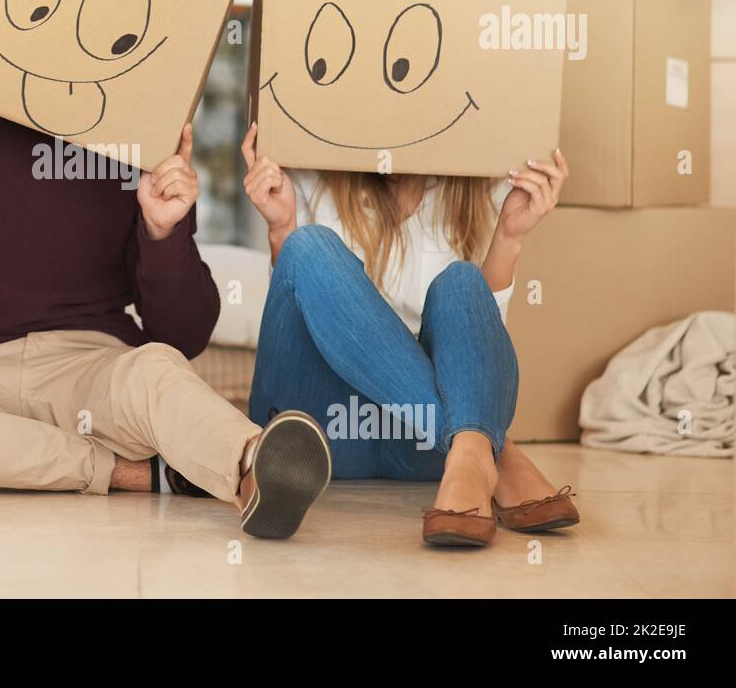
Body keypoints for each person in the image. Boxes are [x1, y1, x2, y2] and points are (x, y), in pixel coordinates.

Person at [0, 7, 331, 539]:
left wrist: (161, 231)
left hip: (92, 366)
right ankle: (129, 475)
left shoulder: (136, 126)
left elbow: (185, 334)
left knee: (157, 368)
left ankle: (254, 463)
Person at [240, 123, 579, 547]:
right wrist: (281, 229)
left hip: (420, 446)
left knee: (460, 281)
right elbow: (295, 315)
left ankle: (469, 455)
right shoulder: (309, 167)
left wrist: (509, 238)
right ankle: (486, 450)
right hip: (316, 437)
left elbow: (477, 343)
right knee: (307, 247)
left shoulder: (485, 180)